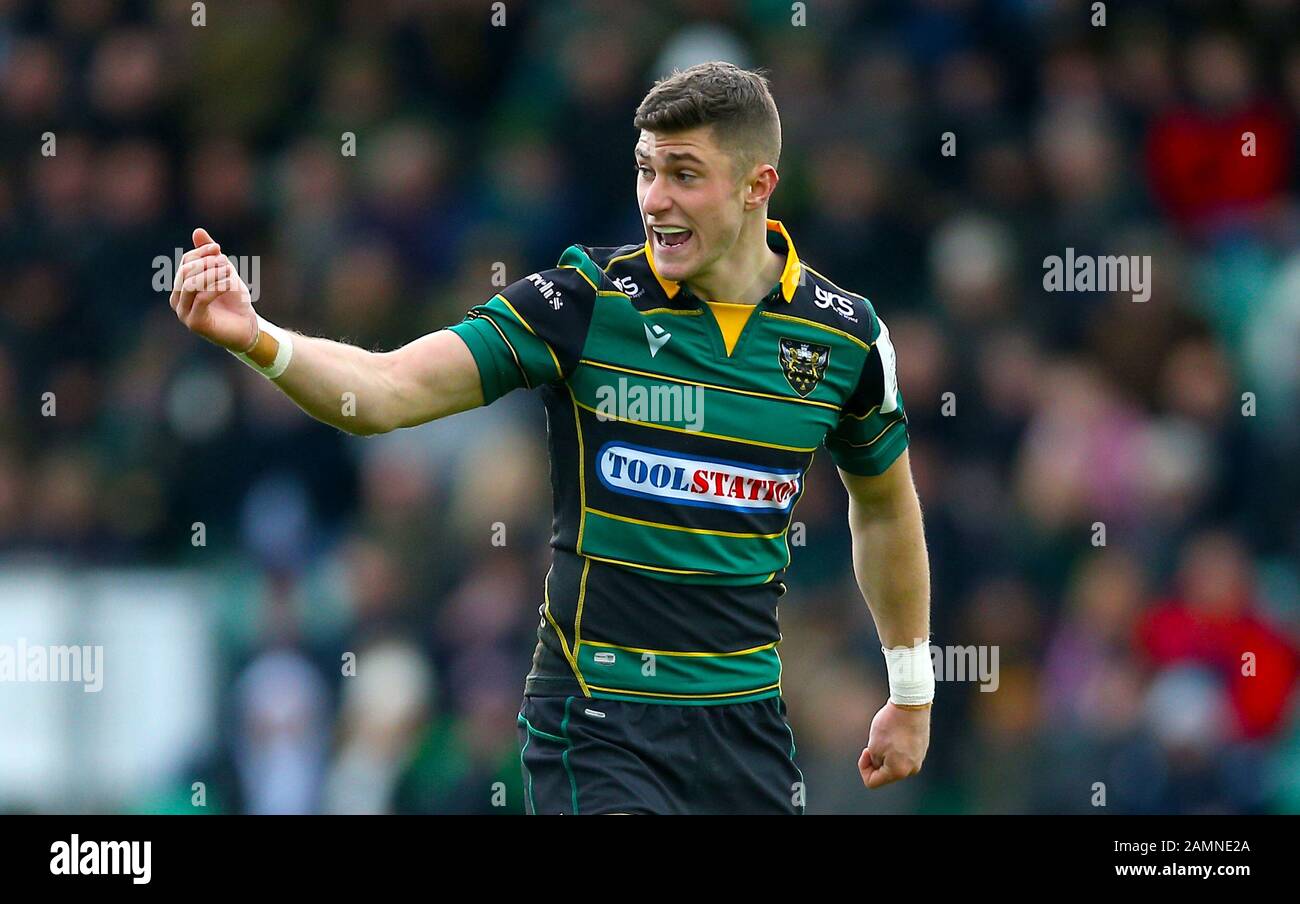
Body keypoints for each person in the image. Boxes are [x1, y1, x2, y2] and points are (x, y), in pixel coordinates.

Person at [169, 61, 933, 815]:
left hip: (746, 730)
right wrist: (258, 337)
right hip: (598, 722)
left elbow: (887, 508)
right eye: (645, 171)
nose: (655, 201)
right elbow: (386, 391)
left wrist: (909, 691)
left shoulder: (845, 337)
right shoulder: (582, 303)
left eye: (684, 175)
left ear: (757, 186)